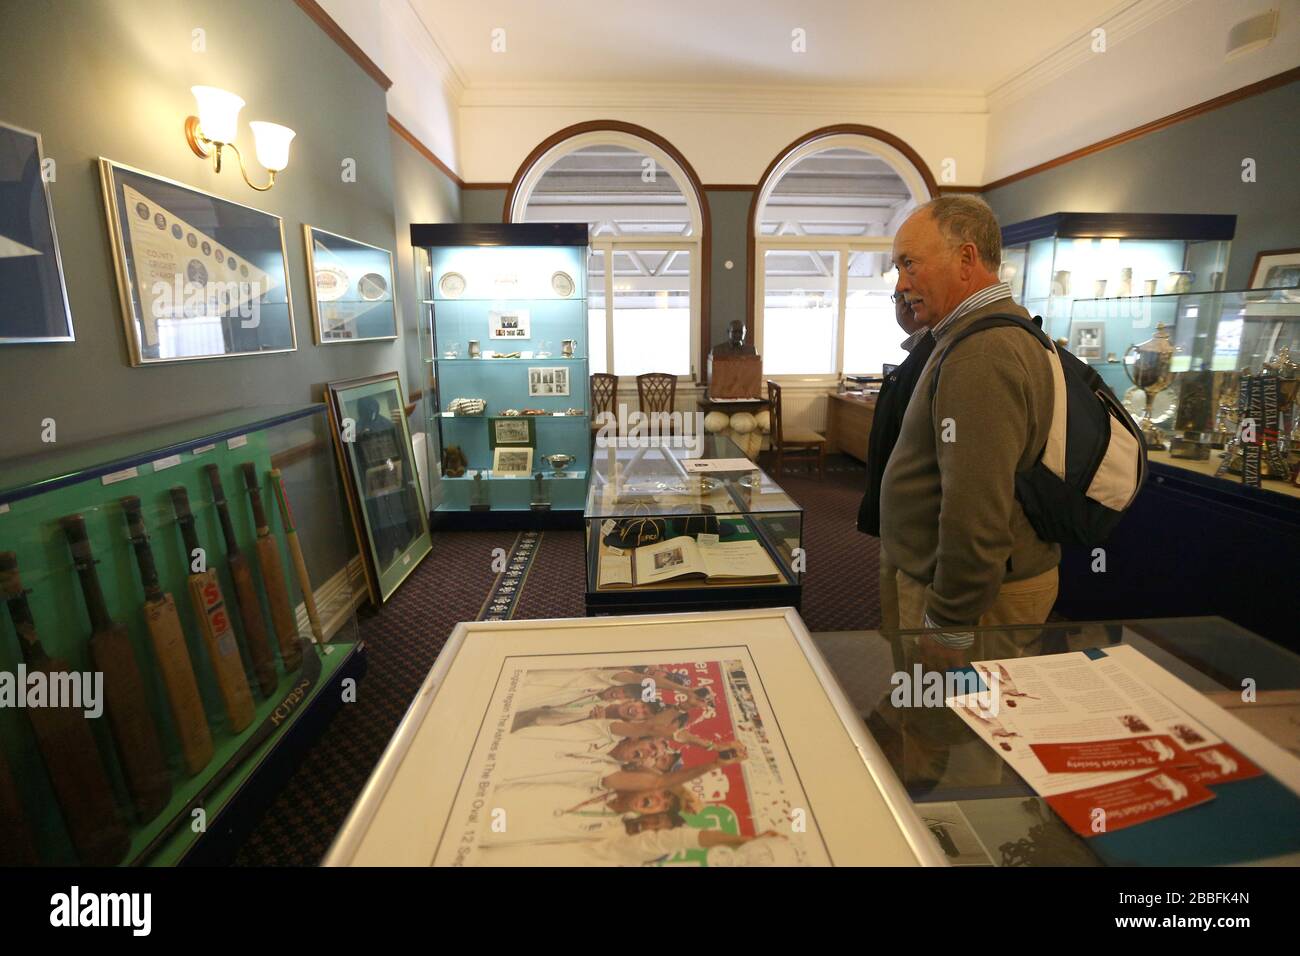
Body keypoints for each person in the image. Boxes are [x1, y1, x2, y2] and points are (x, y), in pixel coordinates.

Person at [881, 196, 1060, 660]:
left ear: (966, 260)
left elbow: (975, 512)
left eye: (910, 264)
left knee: (946, 728)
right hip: (964, 589)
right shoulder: (970, 335)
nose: (901, 283)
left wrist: (948, 624)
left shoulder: (981, 355)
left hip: (975, 602)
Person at [857, 284, 936, 632]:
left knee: (918, 637)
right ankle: (906, 687)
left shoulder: (945, 352)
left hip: (926, 536)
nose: (903, 303)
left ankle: (915, 686)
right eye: (898, 296)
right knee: (900, 629)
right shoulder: (920, 352)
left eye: (912, 293)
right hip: (901, 525)